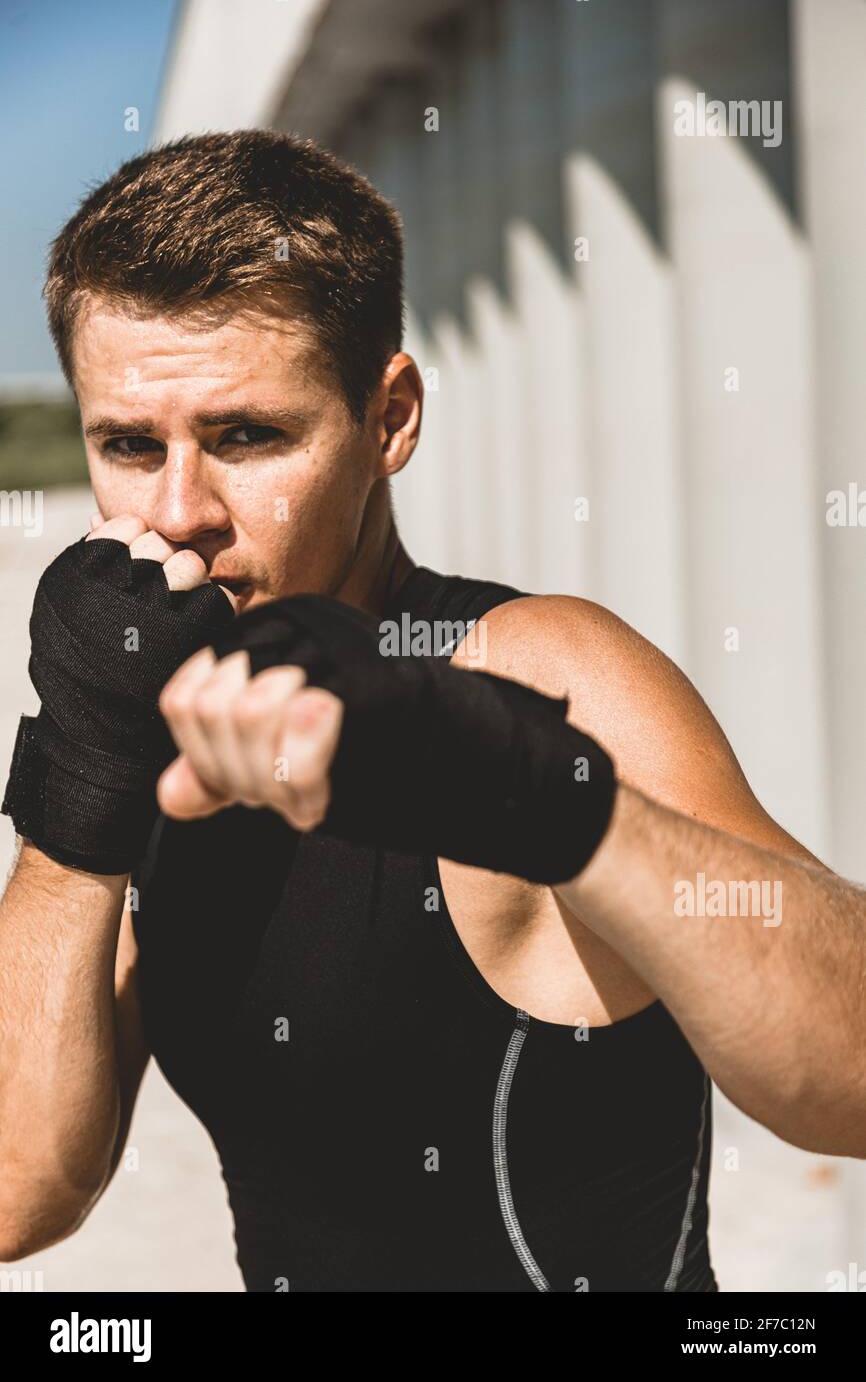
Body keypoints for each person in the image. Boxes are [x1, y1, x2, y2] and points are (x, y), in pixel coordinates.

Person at [0, 131, 863, 1294]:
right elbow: (17, 1193)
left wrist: (550, 803)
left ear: (389, 416)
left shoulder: (536, 663)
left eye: (247, 436)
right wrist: (77, 784)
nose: (179, 509)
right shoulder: (166, 735)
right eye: (128, 444)